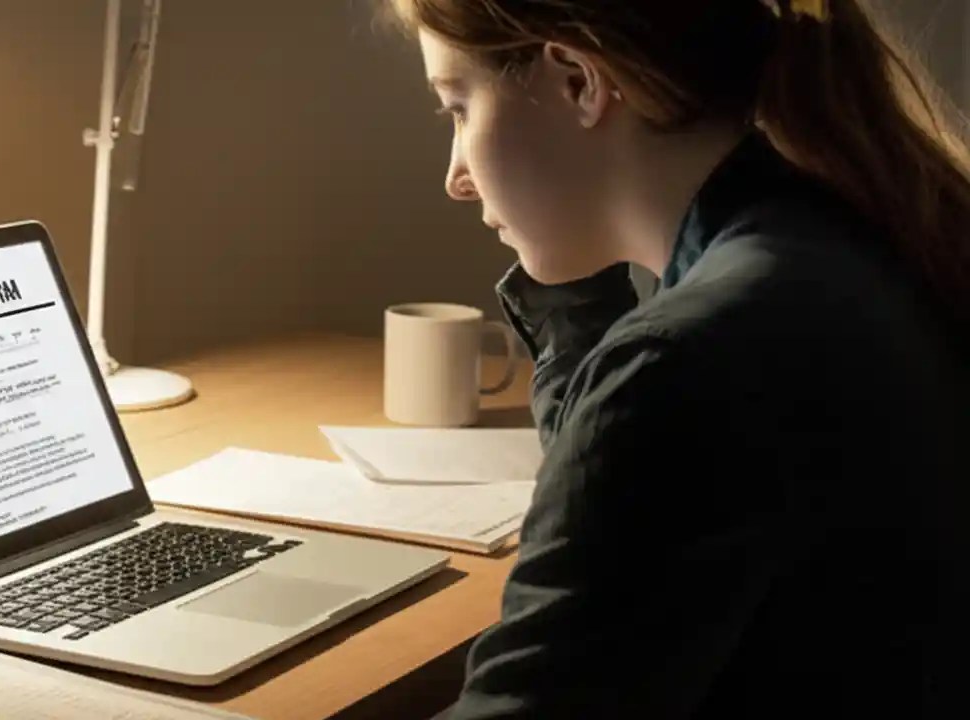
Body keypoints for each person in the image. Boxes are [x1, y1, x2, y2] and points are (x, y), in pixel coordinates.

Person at [382, 0, 968, 717]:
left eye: (458, 110)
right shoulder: (851, 235)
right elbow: (625, 506)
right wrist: (569, 285)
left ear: (576, 81)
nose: (457, 176)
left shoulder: (685, 365)